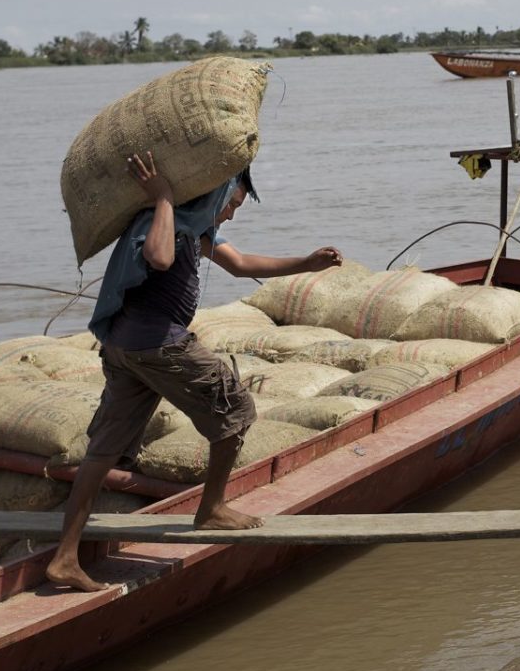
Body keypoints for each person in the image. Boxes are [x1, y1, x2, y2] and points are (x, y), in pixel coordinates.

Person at [47, 151, 342, 592]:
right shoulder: (163, 222)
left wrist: (307, 262)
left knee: (103, 451)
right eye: (232, 203)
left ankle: (64, 558)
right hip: (156, 345)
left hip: (126, 349)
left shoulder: (195, 230)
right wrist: (163, 197)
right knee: (236, 408)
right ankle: (212, 510)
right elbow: (160, 258)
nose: (230, 213)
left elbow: (241, 265)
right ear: (214, 194)